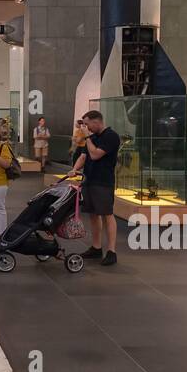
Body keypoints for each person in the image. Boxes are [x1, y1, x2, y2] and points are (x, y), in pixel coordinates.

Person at [70, 110, 122, 265]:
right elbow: (84, 156)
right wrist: (75, 169)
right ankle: (96, 247)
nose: (86, 127)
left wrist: (86, 137)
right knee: (93, 214)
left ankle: (111, 251)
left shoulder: (111, 136)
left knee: (107, 214)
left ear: (97, 121)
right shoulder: (92, 137)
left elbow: (95, 155)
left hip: (103, 181)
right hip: (89, 180)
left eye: (87, 124)